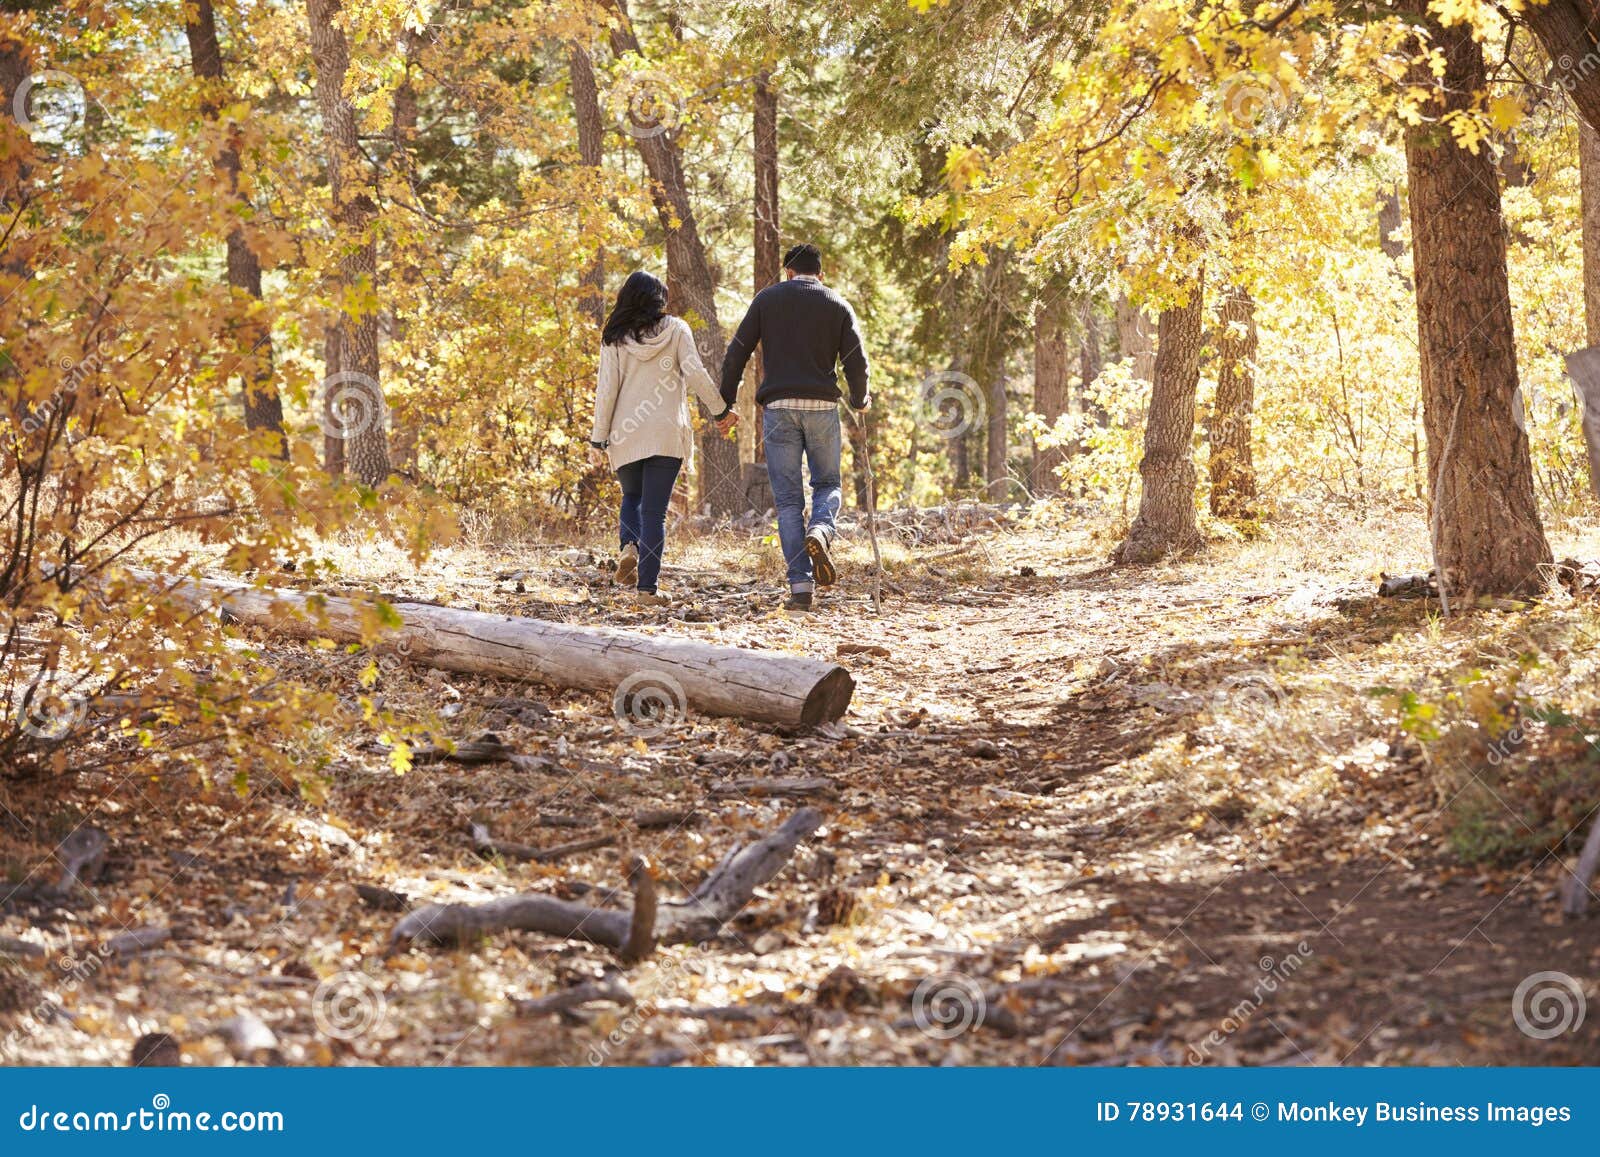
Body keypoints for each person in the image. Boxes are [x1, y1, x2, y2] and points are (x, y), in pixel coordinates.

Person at [720, 243, 870, 611]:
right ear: (820, 274)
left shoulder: (767, 300)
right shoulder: (836, 303)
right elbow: (856, 359)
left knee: (788, 501)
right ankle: (820, 529)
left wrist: (725, 402)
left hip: (779, 408)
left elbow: (737, 351)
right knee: (829, 484)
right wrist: (859, 399)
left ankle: (800, 589)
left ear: (788, 271)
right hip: (821, 408)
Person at [590, 271, 735, 604]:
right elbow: (695, 373)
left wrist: (599, 438)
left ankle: (629, 544)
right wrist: (719, 410)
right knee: (654, 513)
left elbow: (607, 391)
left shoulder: (613, 337)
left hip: (625, 431)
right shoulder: (677, 329)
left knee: (632, 497)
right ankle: (647, 591)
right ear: (659, 300)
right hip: (666, 431)